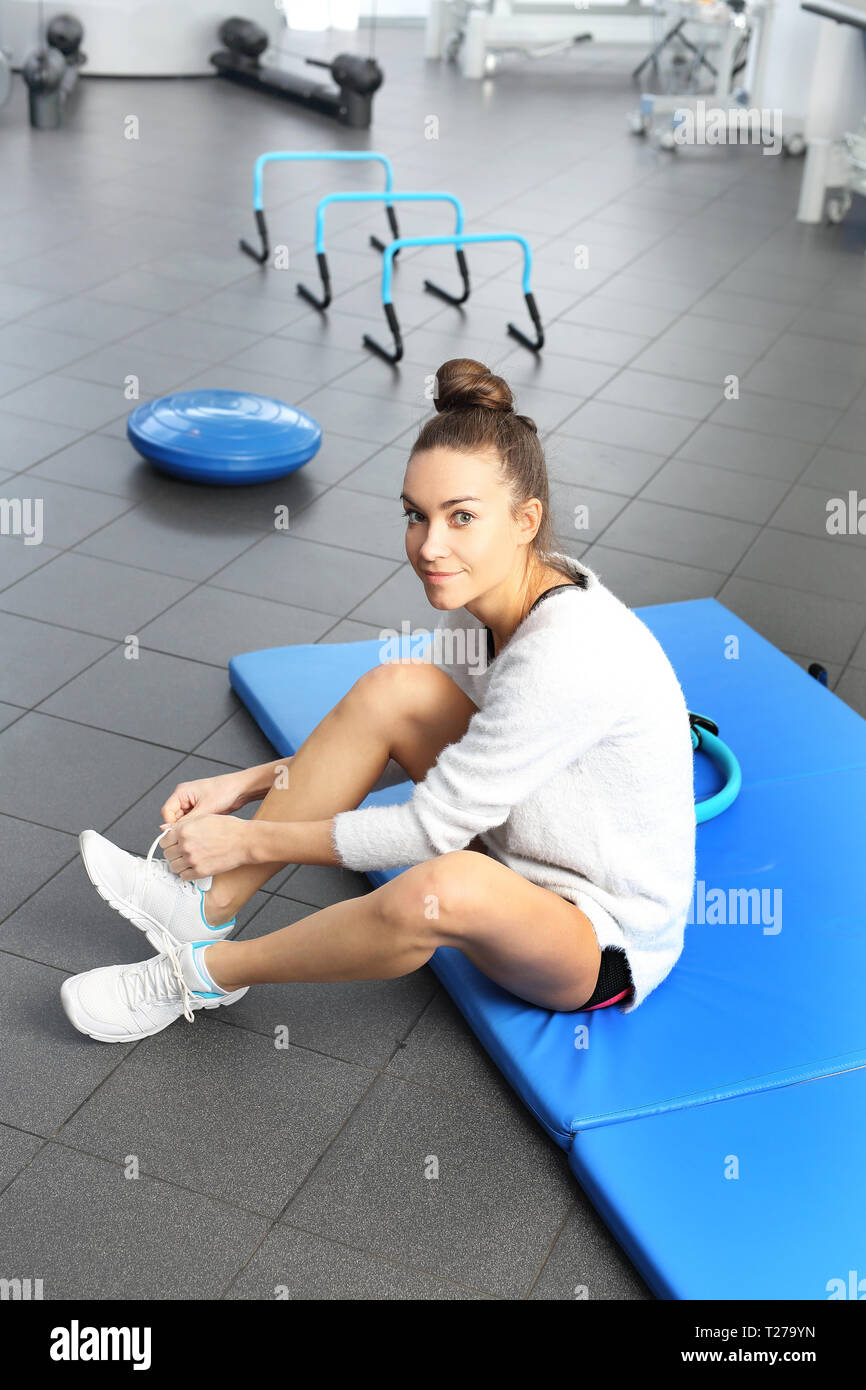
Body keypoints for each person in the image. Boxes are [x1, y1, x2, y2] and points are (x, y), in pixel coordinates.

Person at [60, 357, 696, 1044]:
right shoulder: (481, 601)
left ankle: (200, 973)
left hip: (591, 931)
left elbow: (430, 831)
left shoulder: (566, 651)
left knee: (443, 885)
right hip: (518, 837)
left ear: (525, 520)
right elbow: (400, 742)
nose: (430, 546)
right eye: (415, 516)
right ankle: (205, 906)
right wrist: (241, 786)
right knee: (398, 689)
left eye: (461, 518)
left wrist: (252, 836)